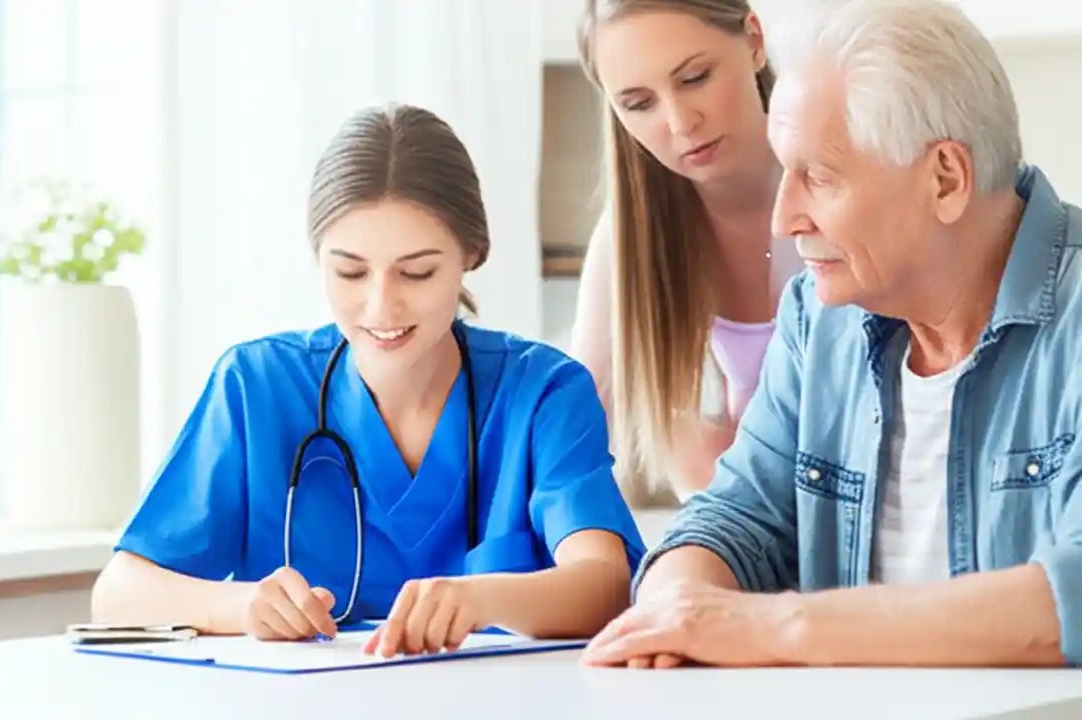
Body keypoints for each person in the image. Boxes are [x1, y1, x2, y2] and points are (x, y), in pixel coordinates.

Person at [582, 0, 1082, 669]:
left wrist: (776, 626)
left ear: (945, 178)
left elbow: (1073, 596)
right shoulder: (819, 320)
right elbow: (735, 518)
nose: (785, 218)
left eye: (817, 177)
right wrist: (674, 611)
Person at [92, 104, 645, 657]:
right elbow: (118, 594)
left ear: (471, 252)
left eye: (417, 272)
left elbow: (605, 586)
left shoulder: (544, 393)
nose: (381, 305)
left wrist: (481, 600)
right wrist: (242, 607)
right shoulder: (255, 387)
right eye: (350, 271)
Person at [571, 0, 804, 505]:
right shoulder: (624, 246)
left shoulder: (846, 194)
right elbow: (569, 443)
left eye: (696, 78)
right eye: (639, 104)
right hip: (724, 536)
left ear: (753, 41)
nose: (680, 123)